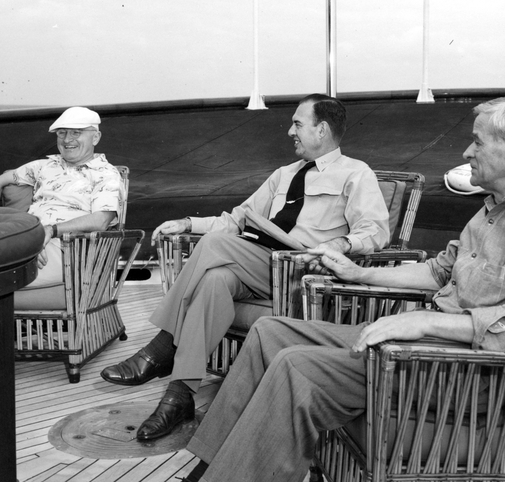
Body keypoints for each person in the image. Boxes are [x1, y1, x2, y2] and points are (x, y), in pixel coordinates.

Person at [181, 96, 505, 482]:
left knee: (296, 367)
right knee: (269, 332)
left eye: (477, 142)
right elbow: (438, 272)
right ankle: (213, 468)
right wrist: (359, 275)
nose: (468, 152)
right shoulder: (492, 211)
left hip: (465, 371)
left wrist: (422, 322)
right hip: (424, 350)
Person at [101, 93, 391, 441]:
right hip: (261, 262)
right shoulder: (283, 175)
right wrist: (188, 222)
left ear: (322, 130)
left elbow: (375, 230)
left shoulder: (356, 173)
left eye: (297, 124)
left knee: (214, 246)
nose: (290, 132)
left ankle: (163, 346)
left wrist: (340, 244)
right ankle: (179, 396)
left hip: (303, 274)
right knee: (215, 279)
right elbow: (237, 219)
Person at [0, 107, 120, 304]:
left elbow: (101, 220)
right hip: (29, 239)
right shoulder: (44, 166)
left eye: (76, 133)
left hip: (69, 249)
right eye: (62, 133)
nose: (67, 139)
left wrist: (49, 231)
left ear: (95, 137)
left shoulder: (106, 174)